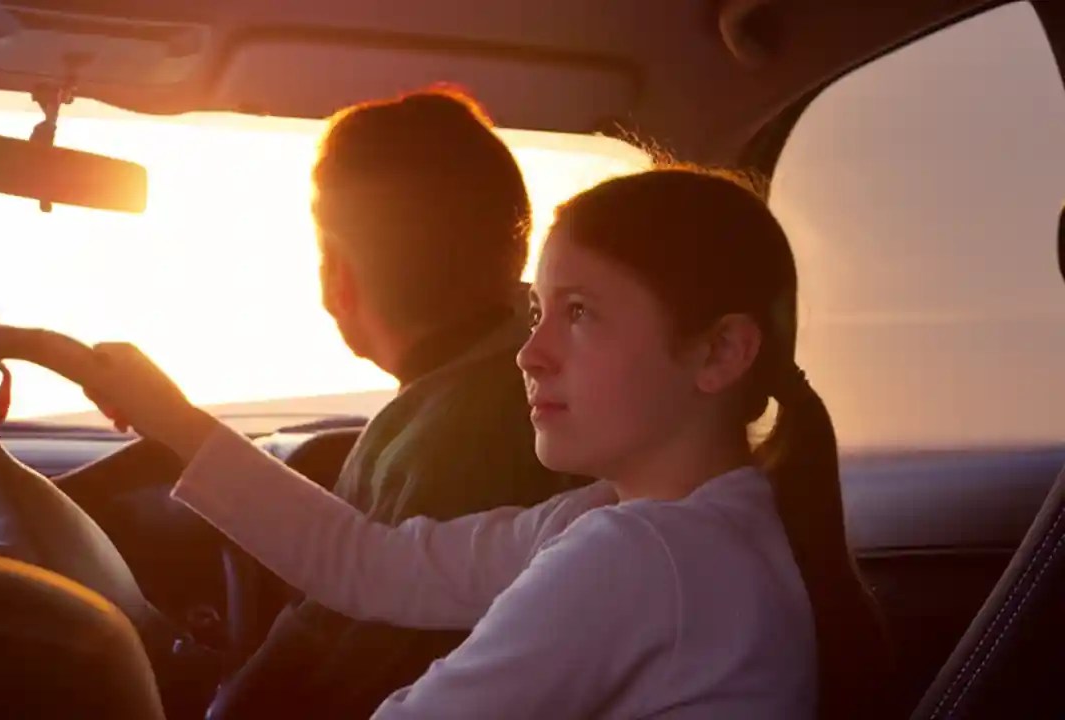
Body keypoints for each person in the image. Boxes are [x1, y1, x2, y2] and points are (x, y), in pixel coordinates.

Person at [87, 167, 894, 718]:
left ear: (719, 353)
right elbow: (370, 564)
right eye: (539, 311)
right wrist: (174, 418)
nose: (531, 351)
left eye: (580, 314)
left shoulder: (641, 555)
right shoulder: (662, 524)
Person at [202, 88, 587, 717]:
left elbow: (312, 680)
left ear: (338, 279)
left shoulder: (453, 444)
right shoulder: (528, 397)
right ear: (514, 251)